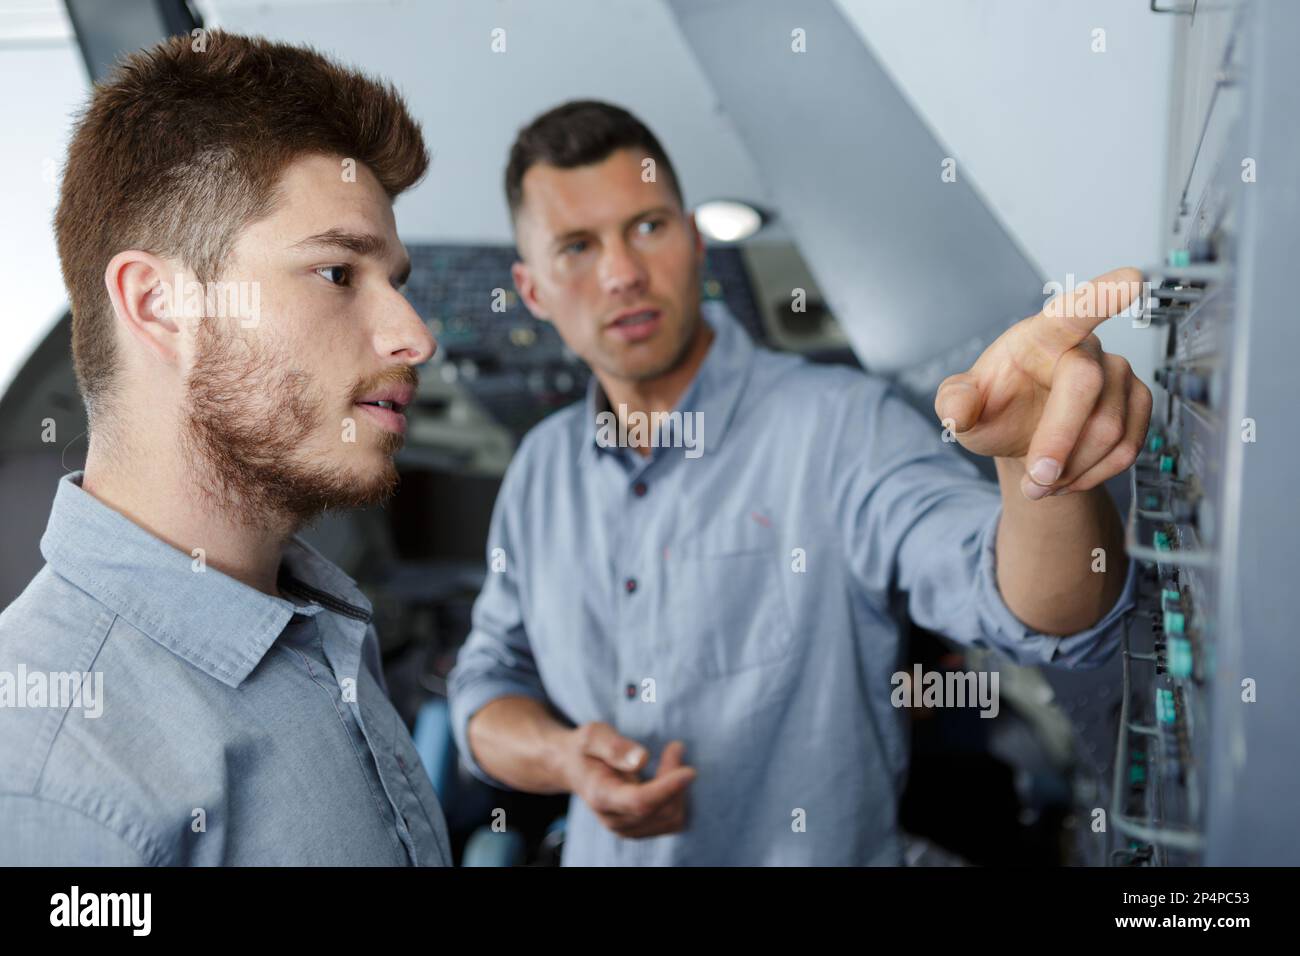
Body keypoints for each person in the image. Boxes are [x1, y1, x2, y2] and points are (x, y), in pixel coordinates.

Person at [448, 100, 1150, 865]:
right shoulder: (540, 473)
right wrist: (561, 758)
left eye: (648, 227)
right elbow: (486, 683)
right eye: (578, 246)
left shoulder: (840, 426)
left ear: (691, 240)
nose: (622, 273)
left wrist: (1037, 471)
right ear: (533, 290)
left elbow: (1041, 613)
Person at [0, 32, 448, 865]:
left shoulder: (320, 629)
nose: (413, 335)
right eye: (339, 274)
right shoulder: (51, 789)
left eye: (399, 283)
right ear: (159, 303)